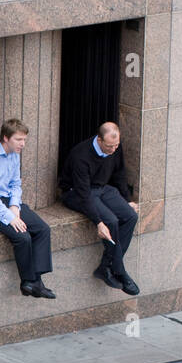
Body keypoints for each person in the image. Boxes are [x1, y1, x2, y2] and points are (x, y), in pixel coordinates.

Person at [58, 121, 141, 296]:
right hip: (77, 192)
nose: (113, 150)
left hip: (102, 188)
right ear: (99, 139)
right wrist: (98, 222)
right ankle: (120, 271)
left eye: (116, 145)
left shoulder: (115, 148)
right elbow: (83, 194)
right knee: (110, 221)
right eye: (109, 146)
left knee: (130, 216)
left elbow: (120, 174)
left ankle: (106, 266)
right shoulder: (80, 156)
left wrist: (127, 201)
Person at [0, 119, 55, 299]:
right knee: (22, 236)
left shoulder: (14, 154)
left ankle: (35, 281)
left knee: (43, 229)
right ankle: (28, 281)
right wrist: (10, 217)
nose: (23, 144)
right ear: (6, 138)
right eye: (19, 139)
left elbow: (16, 184)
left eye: (24, 140)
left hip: (8, 202)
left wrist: (15, 206)